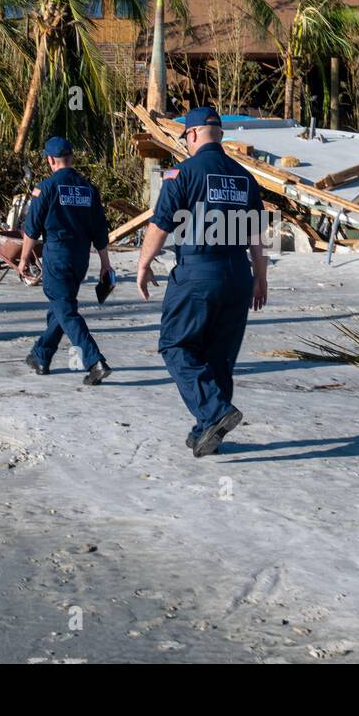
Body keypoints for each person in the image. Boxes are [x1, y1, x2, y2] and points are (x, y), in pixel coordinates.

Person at [136, 106, 268, 458]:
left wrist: (144, 263)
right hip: (238, 274)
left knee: (175, 345)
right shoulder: (244, 177)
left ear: (192, 135)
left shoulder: (184, 173)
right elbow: (257, 232)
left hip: (198, 272)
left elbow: (160, 224)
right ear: (219, 135)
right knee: (219, 358)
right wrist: (260, 277)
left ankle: (214, 413)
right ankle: (206, 431)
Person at [17, 136, 114, 385]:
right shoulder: (88, 189)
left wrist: (23, 258)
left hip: (57, 257)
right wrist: (105, 263)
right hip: (80, 260)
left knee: (66, 312)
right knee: (61, 307)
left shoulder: (46, 188)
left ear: (50, 160)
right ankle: (41, 355)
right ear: (71, 158)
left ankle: (95, 362)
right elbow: (100, 231)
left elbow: (31, 229)